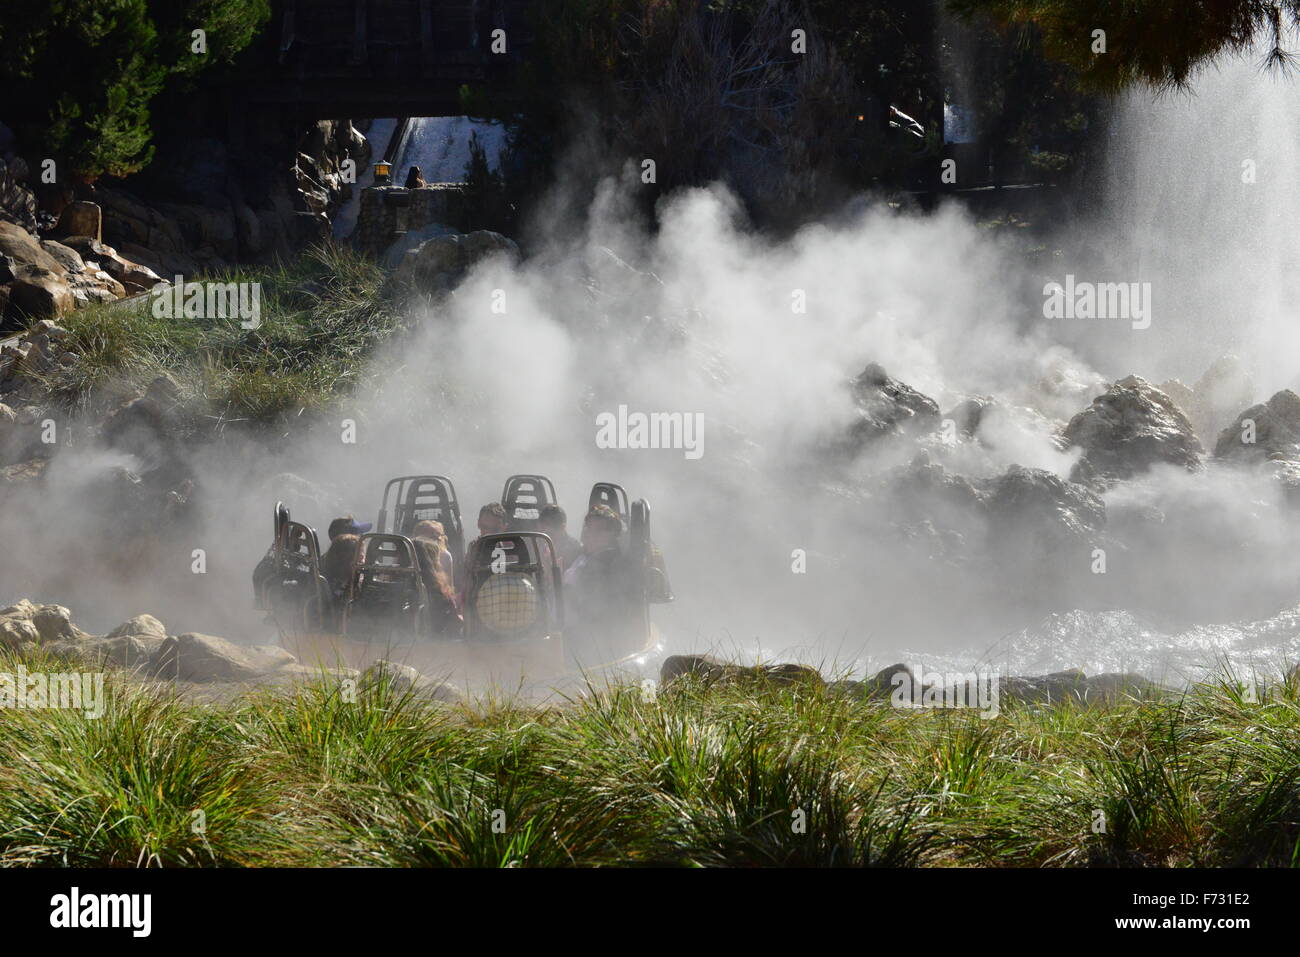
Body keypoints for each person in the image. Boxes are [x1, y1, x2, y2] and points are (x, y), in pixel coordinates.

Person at [410, 526, 462, 636]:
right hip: (437, 641)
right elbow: (456, 623)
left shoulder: (401, 588)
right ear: (434, 563)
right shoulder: (442, 594)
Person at [320, 532, 361, 626]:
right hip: (341, 627)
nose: (363, 559)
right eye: (360, 555)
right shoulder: (337, 584)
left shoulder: (327, 577)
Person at [538, 503, 582, 570]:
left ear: (562, 527)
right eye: (543, 525)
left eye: (550, 532)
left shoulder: (573, 548)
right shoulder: (541, 544)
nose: (545, 530)